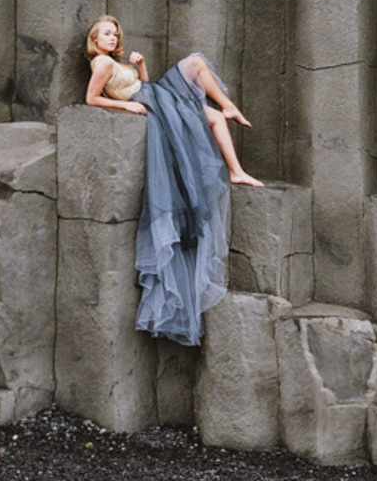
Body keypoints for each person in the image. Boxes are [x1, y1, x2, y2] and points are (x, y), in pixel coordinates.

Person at [84, 17, 262, 346]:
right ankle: (230, 128)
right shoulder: (101, 64)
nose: (113, 37)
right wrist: (126, 104)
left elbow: (143, 82)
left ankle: (235, 159)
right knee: (199, 81)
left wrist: (141, 65)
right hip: (153, 102)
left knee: (207, 97)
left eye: (115, 33)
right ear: (94, 39)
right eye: (106, 33)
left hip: (155, 93)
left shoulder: (116, 62)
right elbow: (91, 99)